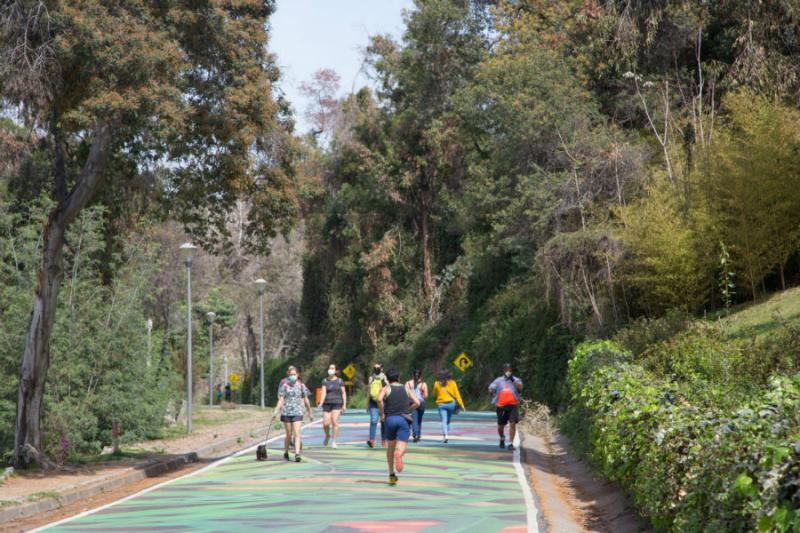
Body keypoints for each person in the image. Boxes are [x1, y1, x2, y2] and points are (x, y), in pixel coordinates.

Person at [378, 368, 419, 486]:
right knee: (401, 447)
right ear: (398, 377)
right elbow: (417, 402)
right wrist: (408, 410)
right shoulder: (406, 388)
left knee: (390, 448)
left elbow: (379, 399)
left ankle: (391, 475)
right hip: (403, 420)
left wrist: (382, 414)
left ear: (387, 378)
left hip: (390, 420)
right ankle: (399, 454)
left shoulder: (386, 388)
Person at [275, 366, 313, 462]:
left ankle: (297, 454)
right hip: (286, 412)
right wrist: (275, 411)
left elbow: (306, 400)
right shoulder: (285, 386)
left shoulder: (301, 386)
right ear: (288, 375)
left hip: (298, 412)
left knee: (297, 433)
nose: (292, 376)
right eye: (291, 374)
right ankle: (286, 452)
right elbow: (281, 400)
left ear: (298, 375)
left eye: (294, 374)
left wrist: (310, 412)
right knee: (288, 434)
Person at [489, 363, 523, 451]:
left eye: (510, 370)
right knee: (501, 426)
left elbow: (520, 389)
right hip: (501, 406)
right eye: (506, 370)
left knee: (512, 424)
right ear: (503, 371)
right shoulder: (498, 380)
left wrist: (512, 380)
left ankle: (511, 443)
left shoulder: (516, 379)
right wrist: (492, 390)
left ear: (511, 370)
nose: (508, 371)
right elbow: (491, 387)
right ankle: (502, 437)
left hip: (513, 405)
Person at [432, 370, 465, 443]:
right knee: (448, 420)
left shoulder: (436, 384)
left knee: (444, 420)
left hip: (441, 404)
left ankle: (445, 435)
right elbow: (457, 395)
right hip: (451, 404)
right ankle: (447, 430)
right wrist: (461, 405)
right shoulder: (452, 383)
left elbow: (434, 394)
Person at [319, 363, 347, 448]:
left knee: (335, 421)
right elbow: (323, 392)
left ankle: (334, 441)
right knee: (325, 423)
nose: (330, 369)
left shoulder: (339, 381)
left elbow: (343, 393)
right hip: (327, 403)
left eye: (332, 368)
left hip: (337, 403)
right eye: (329, 368)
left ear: (335, 370)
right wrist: (321, 402)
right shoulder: (324, 380)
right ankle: (327, 435)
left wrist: (344, 404)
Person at [367, 363, 387, 448]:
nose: (376, 369)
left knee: (384, 421)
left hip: (383, 402)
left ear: (382, 368)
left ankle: (384, 441)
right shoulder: (371, 378)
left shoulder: (385, 377)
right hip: (373, 402)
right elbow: (369, 391)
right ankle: (372, 440)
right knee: (373, 420)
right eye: (374, 367)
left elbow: (387, 388)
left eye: (378, 367)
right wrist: (367, 404)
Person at [405, 369, 428, 442]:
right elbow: (426, 395)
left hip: (412, 403)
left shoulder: (408, 383)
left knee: (414, 418)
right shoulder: (423, 384)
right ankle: (418, 434)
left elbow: (406, 394)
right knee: (419, 419)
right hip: (421, 403)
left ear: (412, 375)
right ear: (420, 376)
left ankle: (415, 434)